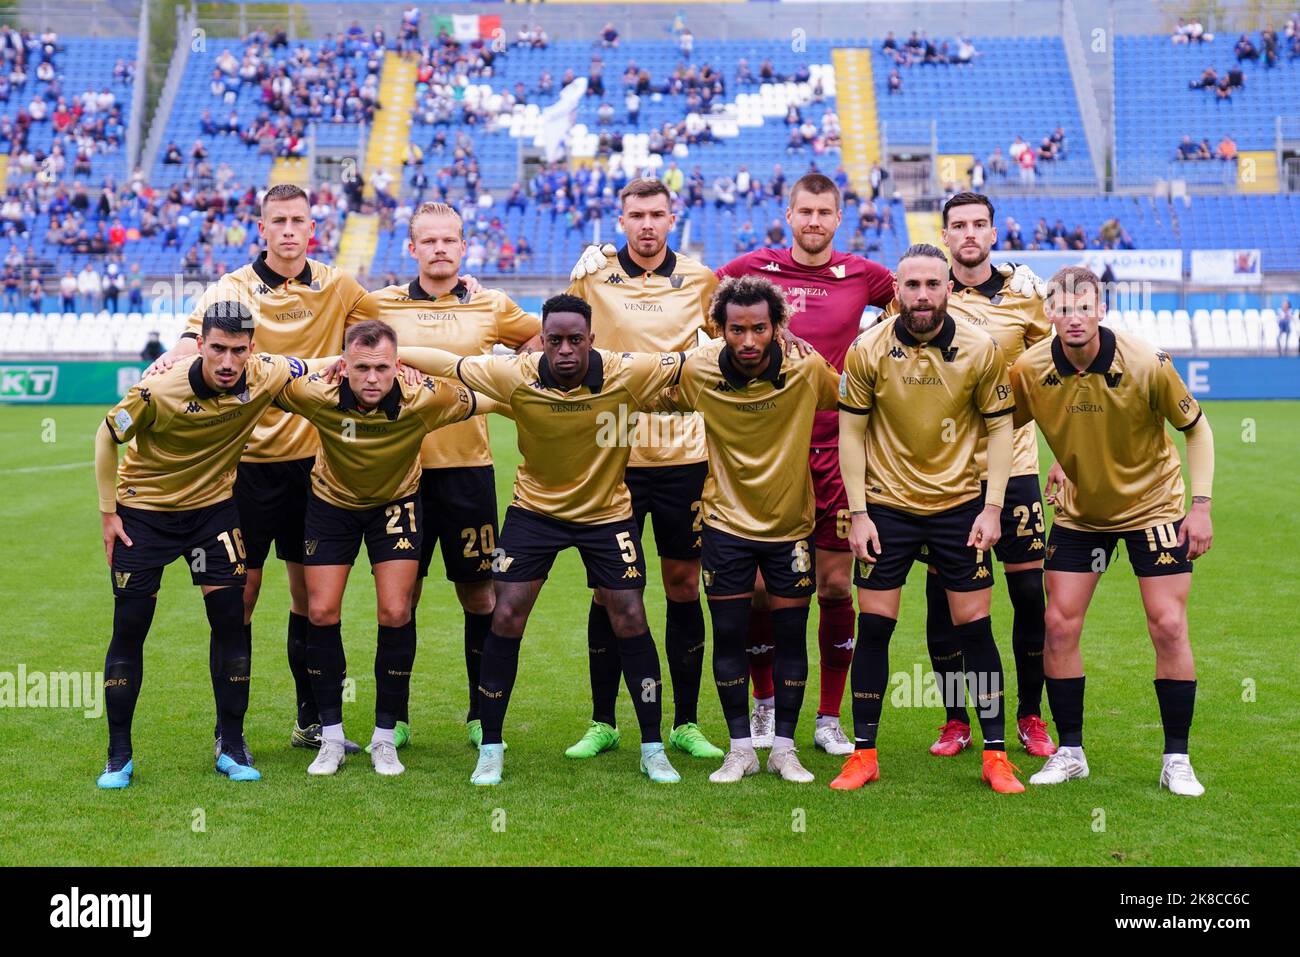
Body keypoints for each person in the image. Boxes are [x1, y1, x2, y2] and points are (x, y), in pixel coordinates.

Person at [401, 295, 692, 786]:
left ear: (591, 341)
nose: (563, 351)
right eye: (553, 340)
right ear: (541, 340)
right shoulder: (517, 374)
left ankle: (652, 746)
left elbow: (690, 360)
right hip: (535, 512)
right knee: (507, 612)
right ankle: (490, 747)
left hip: (607, 514)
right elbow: (451, 364)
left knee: (630, 615)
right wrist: (393, 355)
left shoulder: (626, 372)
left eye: (574, 340)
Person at [138, 184, 382, 760]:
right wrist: (173, 355)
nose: (290, 230)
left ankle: (313, 723)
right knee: (238, 599)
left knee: (312, 599)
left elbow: (388, 321)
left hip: (312, 467)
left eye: (299, 220)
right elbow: (190, 337)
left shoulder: (340, 285)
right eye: (280, 220)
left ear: (312, 229)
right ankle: (231, 732)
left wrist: (467, 287)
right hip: (243, 470)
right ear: (262, 228)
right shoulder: (232, 288)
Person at [92, 300, 319, 788]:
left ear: (252, 349)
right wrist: (108, 513)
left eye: (238, 350)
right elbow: (107, 435)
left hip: (213, 514)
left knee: (230, 622)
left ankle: (231, 744)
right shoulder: (157, 390)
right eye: (217, 348)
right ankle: (118, 753)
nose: (227, 362)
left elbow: (313, 366)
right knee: (131, 626)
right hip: (145, 516)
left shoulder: (264, 374)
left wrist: (345, 363)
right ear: (199, 345)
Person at [1010, 266, 1215, 796]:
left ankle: (1177, 758)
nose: (1074, 317)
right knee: (1057, 626)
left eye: (1085, 307)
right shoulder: (1029, 369)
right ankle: (1071, 750)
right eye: (1063, 307)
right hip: (1081, 513)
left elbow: (1197, 429)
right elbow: (997, 427)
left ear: (1101, 310)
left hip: (1154, 507)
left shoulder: (1147, 361)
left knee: (1167, 624)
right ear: (1048, 312)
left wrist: (1201, 506)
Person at [833, 243, 1024, 794]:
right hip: (886, 509)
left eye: (932, 285)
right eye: (912, 285)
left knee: (977, 631)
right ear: (896, 288)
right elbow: (852, 432)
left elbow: (1000, 429)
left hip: (960, 509)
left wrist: (992, 507)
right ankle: (863, 754)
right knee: (874, 630)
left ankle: (995, 755)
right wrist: (859, 514)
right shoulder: (867, 349)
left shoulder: (980, 348)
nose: (922, 296)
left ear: (948, 288)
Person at [271, 320, 498, 776]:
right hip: (331, 505)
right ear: (344, 366)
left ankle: (383, 737)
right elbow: (265, 378)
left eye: (382, 367)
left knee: (395, 612)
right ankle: (330, 738)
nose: (372, 378)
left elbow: (496, 393)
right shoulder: (316, 394)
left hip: (395, 505)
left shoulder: (425, 397)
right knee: (320, 612)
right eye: (360, 367)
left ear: (398, 366)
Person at [364, 203, 541, 751]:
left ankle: (478, 709)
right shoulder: (379, 304)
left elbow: (541, 342)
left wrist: (509, 383)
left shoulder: (491, 305)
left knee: (480, 595)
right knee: (400, 598)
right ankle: (393, 719)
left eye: (450, 240)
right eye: (429, 241)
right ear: (410, 248)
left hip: (468, 473)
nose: (440, 249)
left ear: (464, 248)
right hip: (400, 474)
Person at [564, 179, 724, 761]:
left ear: (673, 217)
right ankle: (602, 720)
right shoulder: (592, 275)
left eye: (657, 214)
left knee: (684, 585)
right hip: (614, 455)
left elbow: (725, 352)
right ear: (621, 220)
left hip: (685, 455)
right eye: (637, 215)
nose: (648, 224)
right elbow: (562, 341)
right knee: (609, 592)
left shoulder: (703, 281)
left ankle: (685, 722)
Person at [660, 275, 840, 784]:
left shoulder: (807, 368)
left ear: (778, 327)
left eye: (760, 329)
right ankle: (739, 748)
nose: (747, 341)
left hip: (790, 527)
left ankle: (785, 748)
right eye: (736, 330)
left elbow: (855, 397)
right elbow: (642, 385)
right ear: (718, 329)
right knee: (731, 636)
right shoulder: (696, 370)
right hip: (724, 525)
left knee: (790, 637)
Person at [901, 193, 1055, 757]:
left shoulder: (1026, 298)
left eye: (979, 224)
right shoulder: (927, 294)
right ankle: (954, 718)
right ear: (944, 235)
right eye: (958, 225)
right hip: (950, 479)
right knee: (945, 599)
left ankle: (1030, 716)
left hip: (1014, 469)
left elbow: (1060, 379)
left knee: (1028, 594)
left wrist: (1068, 455)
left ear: (994, 233)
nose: (969, 233)